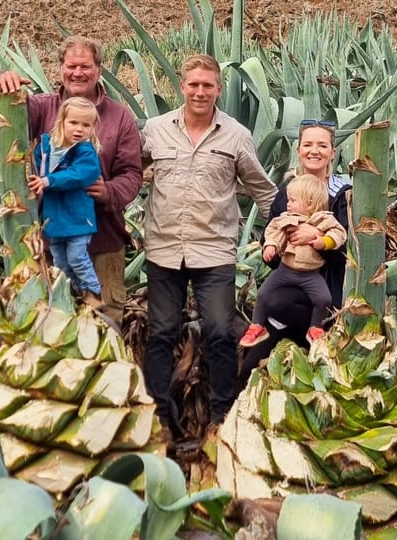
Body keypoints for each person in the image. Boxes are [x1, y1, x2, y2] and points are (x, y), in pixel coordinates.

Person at [141, 54, 277, 432]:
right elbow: (128, 170)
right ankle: (161, 419)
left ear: (218, 88)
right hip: (164, 249)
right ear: (181, 87)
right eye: (193, 84)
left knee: (220, 333)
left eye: (208, 85)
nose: (200, 92)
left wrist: (287, 228)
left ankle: (221, 418)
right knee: (161, 334)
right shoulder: (155, 129)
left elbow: (262, 190)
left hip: (214, 251)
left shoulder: (235, 135)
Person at [0, 36, 142, 323]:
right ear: (60, 69)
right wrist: (3, 87)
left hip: (102, 242)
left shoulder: (120, 117)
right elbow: (5, 119)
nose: (77, 72)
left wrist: (108, 191)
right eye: (71, 65)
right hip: (50, 242)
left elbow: (132, 173)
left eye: (85, 66)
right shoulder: (42, 108)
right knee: (50, 325)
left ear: (99, 70)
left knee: (105, 325)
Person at [239, 120, 351, 379]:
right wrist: (276, 248)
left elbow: (346, 251)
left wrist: (317, 239)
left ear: (333, 152)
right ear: (298, 150)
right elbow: (272, 240)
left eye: (322, 145)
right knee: (250, 369)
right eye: (308, 144)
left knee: (314, 377)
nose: (314, 151)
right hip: (287, 289)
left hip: (326, 295)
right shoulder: (285, 195)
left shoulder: (343, 195)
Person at [240, 174, 347, 347]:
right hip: (285, 270)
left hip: (311, 274)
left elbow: (339, 233)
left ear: (310, 203)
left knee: (324, 299)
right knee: (263, 294)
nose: (288, 204)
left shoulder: (324, 219)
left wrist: (322, 240)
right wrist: (271, 246)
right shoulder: (285, 218)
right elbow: (273, 231)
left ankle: (315, 328)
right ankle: (257, 326)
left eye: (293, 200)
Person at [27, 97, 104, 310]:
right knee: (60, 263)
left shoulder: (86, 153)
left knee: (77, 257)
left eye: (86, 125)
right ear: (61, 121)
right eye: (73, 123)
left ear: (92, 128)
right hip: (53, 219)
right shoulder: (45, 147)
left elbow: (78, 175)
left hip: (77, 218)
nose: (79, 129)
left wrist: (48, 181)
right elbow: (32, 167)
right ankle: (76, 293)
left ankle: (94, 294)